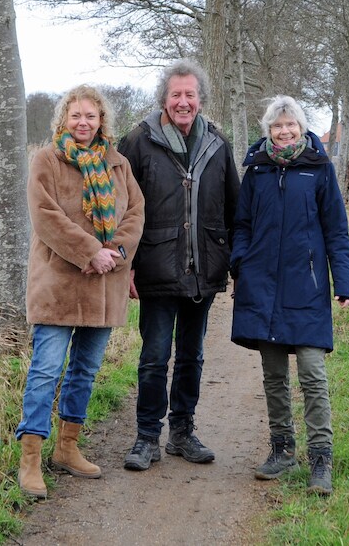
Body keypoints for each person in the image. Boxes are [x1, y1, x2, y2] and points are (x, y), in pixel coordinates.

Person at [15, 85, 145, 499]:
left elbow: (135, 213)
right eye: (76, 116)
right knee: (45, 372)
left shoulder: (118, 164)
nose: (83, 123)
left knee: (84, 371)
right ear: (64, 120)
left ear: (101, 120)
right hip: (58, 286)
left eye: (91, 116)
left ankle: (67, 447)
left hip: (105, 287)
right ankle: (30, 457)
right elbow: (45, 216)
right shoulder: (47, 161)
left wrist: (117, 251)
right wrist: (92, 251)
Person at [229, 95, 349, 495]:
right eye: (277, 126)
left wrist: (344, 283)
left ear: (302, 129)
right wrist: (240, 263)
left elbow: (336, 230)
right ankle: (282, 450)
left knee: (313, 375)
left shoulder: (320, 170)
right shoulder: (257, 172)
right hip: (263, 286)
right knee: (273, 376)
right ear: (268, 130)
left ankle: (321, 459)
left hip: (308, 287)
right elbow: (242, 225)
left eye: (291, 125)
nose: (284, 132)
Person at [117, 59, 240, 471]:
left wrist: (236, 265)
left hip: (204, 269)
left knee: (192, 355)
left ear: (200, 99)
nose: (183, 102)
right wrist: (126, 264)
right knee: (154, 355)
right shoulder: (137, 141)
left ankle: (183, 433)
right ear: (163, 100)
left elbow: (234, 208)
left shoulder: (218, 144)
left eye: (190, 94)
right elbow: (120, 209)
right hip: (155, 267)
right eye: (176, 95)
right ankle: (146, 437)